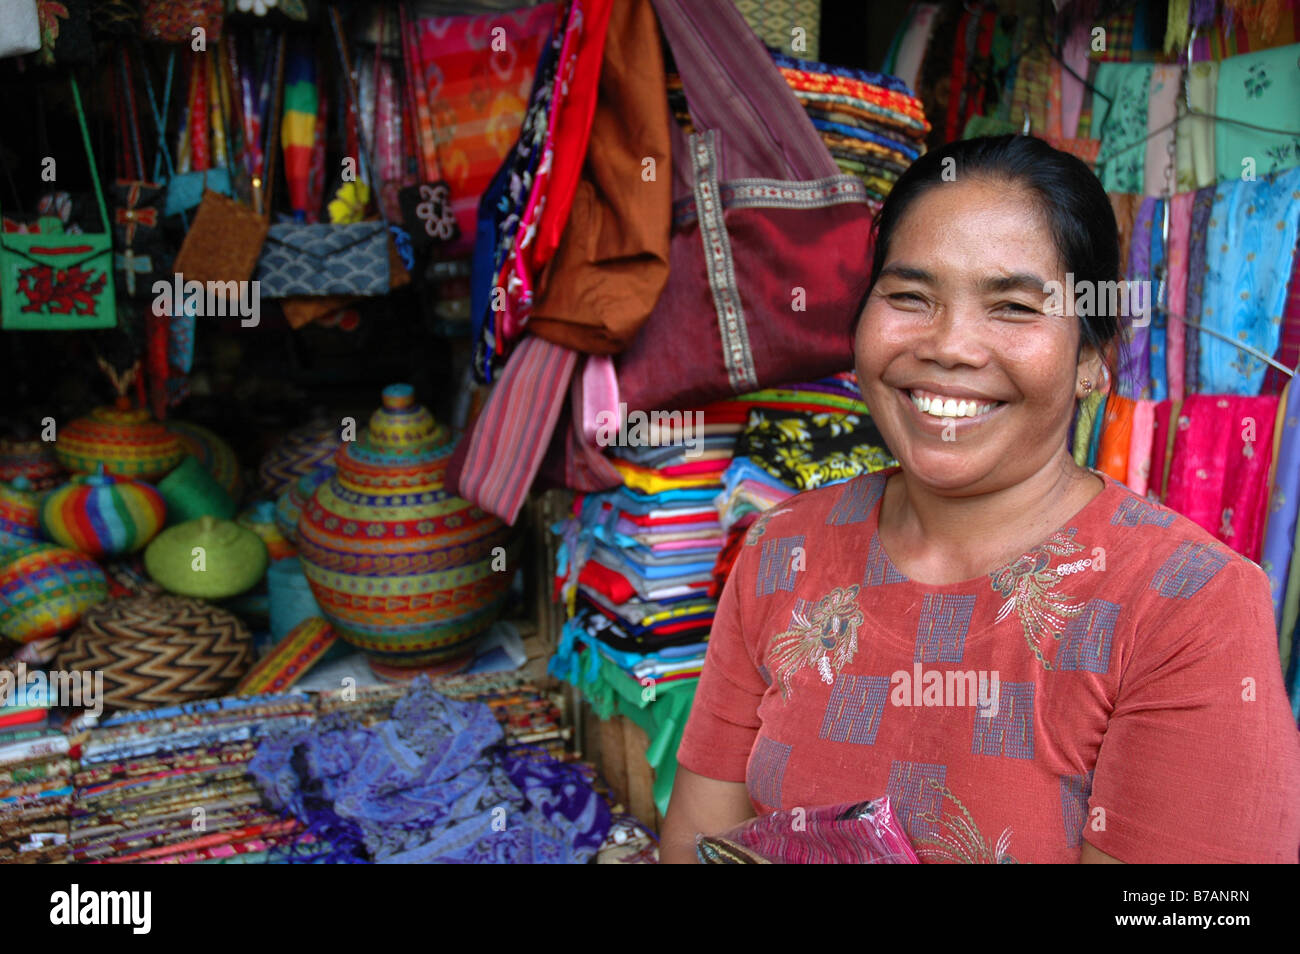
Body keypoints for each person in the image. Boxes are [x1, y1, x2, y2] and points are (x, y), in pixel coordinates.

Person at [659, 134, 1300, 864]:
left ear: (1092, 357)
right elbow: (695, 846)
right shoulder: (782, 549)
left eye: (1015, 307)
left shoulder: (1187, 607)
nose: (951, 346)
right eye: (910, 296)